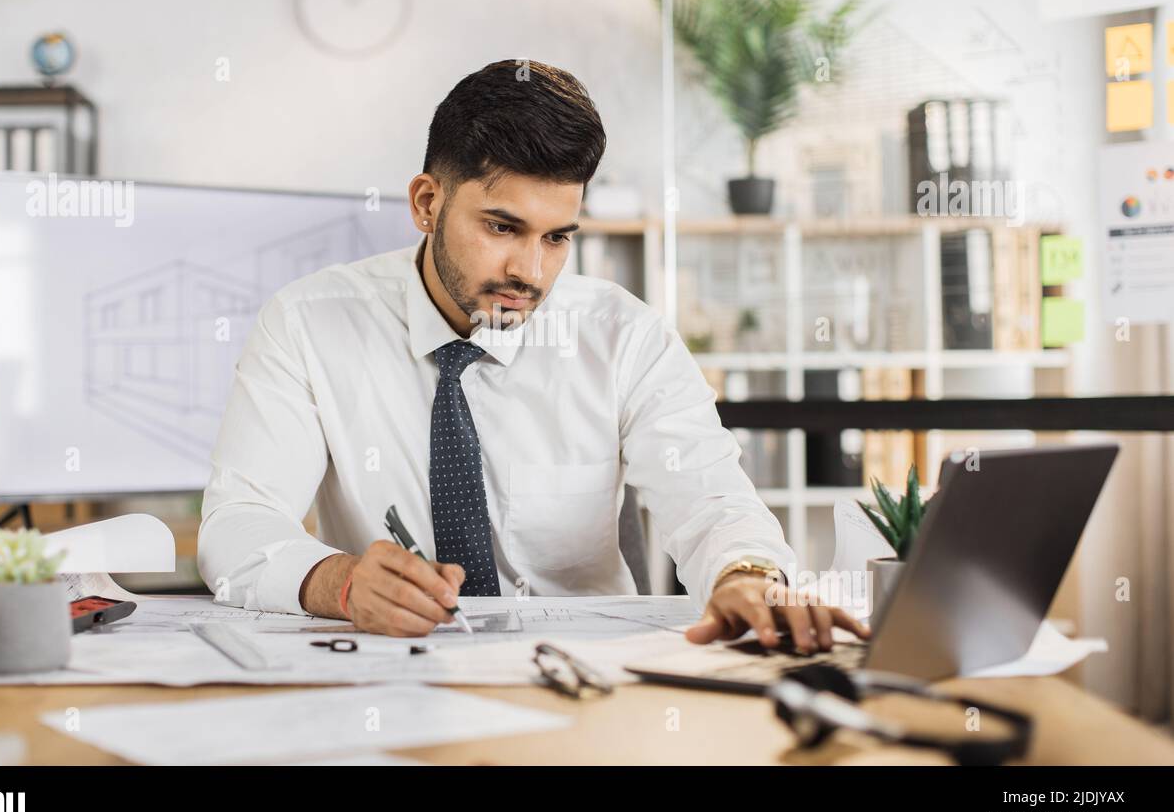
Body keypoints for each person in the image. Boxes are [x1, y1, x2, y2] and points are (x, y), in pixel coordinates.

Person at [198, 59, 869, 652]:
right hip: (398, 671)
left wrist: (746, 575)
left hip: (591, 675)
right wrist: (337, 582)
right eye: (501, 227)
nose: (530, 270)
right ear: (428, 203)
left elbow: (712, 500)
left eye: (557, 237)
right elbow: (237, 526)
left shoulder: (622, 335)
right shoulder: (309, 323)